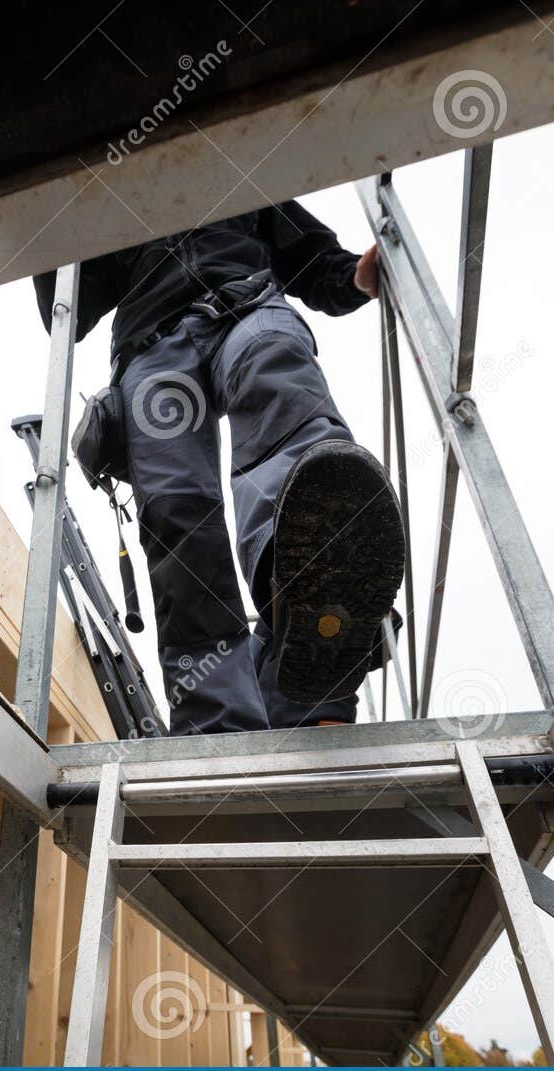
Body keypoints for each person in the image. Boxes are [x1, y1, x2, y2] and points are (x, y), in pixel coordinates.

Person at [34, 201, 404, 735]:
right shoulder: (119, 198)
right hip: (152, 345)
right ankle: (218, 722)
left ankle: (312, 643)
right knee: (176, 515)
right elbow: (69, 311)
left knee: (285, 405)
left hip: (249, 304)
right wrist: (43, 220)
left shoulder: (244, 170)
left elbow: (314, 259)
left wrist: (354, 276)